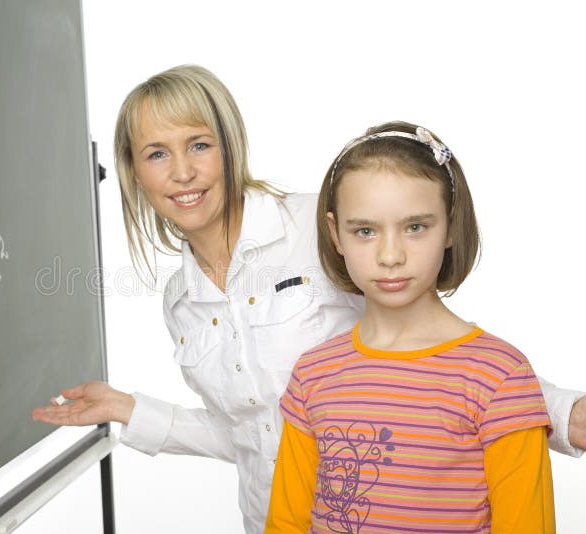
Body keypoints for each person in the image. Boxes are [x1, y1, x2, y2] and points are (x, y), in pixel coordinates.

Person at [32, 65, 584, 534]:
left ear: (229, 147)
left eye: (199, 144)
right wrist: (128, 409)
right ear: (135, 170)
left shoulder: (315, 229)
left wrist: (562, 412)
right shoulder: (181, 299)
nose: (183, 172)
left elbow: (436, 357)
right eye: (157, 153)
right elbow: (247, 432)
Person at [265, 122, 554, 533]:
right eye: (365, 231)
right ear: (336, 235)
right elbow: (284, 523)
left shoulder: (500, 376)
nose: (390, 255)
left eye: (415, 227)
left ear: (451, 226)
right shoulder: (314, 373)